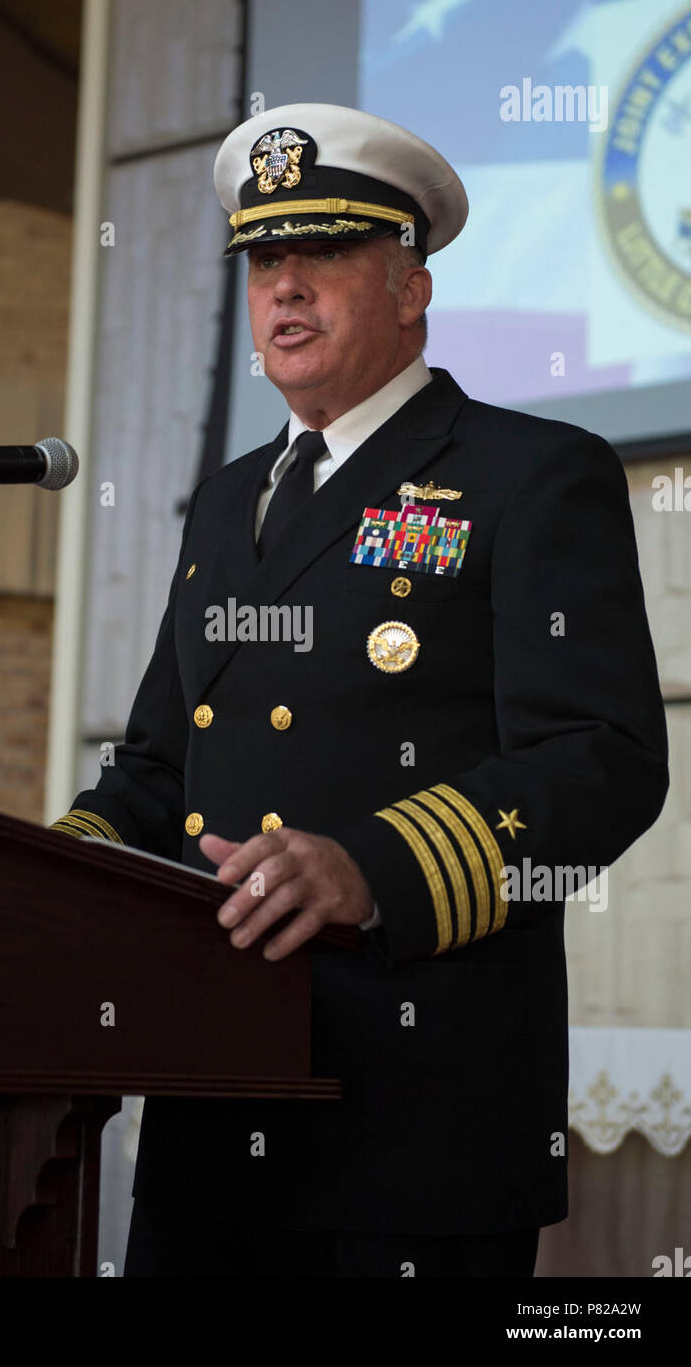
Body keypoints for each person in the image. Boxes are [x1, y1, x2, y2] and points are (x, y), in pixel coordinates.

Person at [51, 103, 669, 1277]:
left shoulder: (527, 473)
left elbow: (602, 757)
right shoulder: (228, 503)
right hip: (214, 1102)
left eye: (322, 255)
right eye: (265, 262)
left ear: (408, 285)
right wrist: (41, 881)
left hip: (415, 1125)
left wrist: (370, 868)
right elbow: (153, 769)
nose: (285, 289)